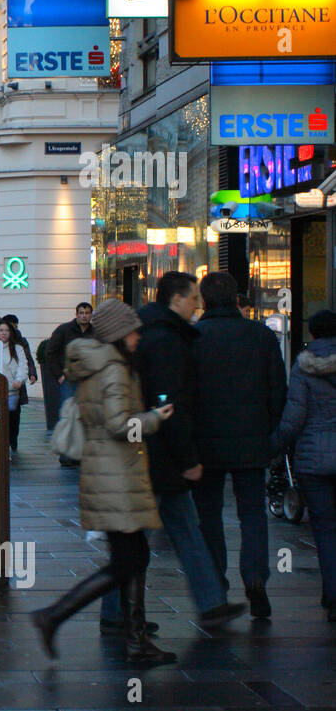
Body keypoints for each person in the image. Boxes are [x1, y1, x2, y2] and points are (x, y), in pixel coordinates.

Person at [29, 300, 178, 665]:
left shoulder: (97, 364)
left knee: (132, 557)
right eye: (132, 330)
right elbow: (117, 426)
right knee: (128, 561)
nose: (137, 336)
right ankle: (55, 617)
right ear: (117, 333)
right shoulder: (113, 369)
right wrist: (154, 418)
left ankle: (134, 638)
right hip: (117, 474)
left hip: (106, 471)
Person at [130, 273, 246, 630]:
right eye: (192, 297)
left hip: (155, 454)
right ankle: (120, 613)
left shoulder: (155, 331)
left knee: (179, 531)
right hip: (160, 456)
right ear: (176, 299)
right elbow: (169, 404)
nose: (197, 303)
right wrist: (188, 459)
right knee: (141, 542)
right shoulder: (166, 339)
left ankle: (210, 602)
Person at [191, 272, 287, 619]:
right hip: (253, 440)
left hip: (205, 444)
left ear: (203, 301)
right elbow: (278, 389)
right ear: (236, 300)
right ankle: (256, 577)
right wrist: (273, 436)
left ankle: (216, 584)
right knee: (252, 513)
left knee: (209, 516)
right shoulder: (260, 336)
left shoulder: (194, 337)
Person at [272, 310, 336, 621]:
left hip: (315, 459)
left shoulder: (303, 367)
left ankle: (332, 594)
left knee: (324, 529)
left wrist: (276, 443)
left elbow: (294, 417)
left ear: (312, 335)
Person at [45, 302, 94, 462]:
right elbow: (50, 352)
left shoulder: (95, 332)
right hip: (69, 379)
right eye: (81, 313)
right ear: (76, 314)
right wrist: (59, 375)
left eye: (87, 313)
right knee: (67, 415)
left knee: (86, 416)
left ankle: (81, 452)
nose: (84, 316)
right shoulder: (65, 330)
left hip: (88, 380)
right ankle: (66, 454)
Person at [0, 321, 29, 455]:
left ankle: (12, 440)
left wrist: (19, 380)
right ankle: (0, 442)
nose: (4, 333)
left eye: (6, 330)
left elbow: (23, 365)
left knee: (13, 419)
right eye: (1, 330)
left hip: (12, 391)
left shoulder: (17, 348)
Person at [1, 313, 38, 410]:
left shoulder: (20, 341)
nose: (14, 330)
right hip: (2, 383)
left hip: (16, 383)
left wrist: (32, 374)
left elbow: (27, 359)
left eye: (16, 327)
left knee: (15, 410)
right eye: (11, 327)